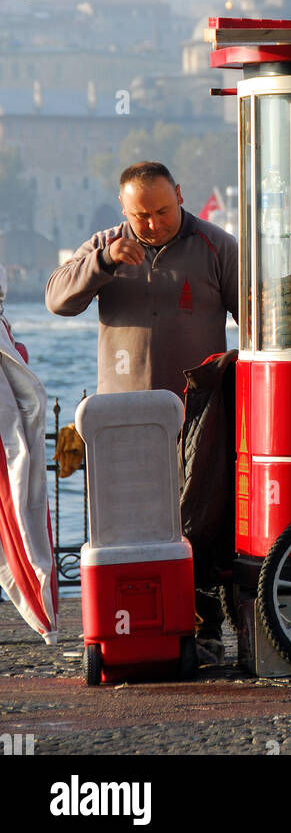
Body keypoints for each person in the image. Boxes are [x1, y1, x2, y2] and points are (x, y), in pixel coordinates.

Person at [45, 162, 239, 664]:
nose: (152, 223)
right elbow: (58, 300)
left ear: (179, 194)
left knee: (195, 523)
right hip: (122, 417)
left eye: (162, 211)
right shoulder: (106, 243)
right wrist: (105, 262)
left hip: (196, 412)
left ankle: (202, 631)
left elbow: (256, 317)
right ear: (123, 209)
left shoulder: (217, 246)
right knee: (129, 525)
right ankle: (132, 626)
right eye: (141, 215)